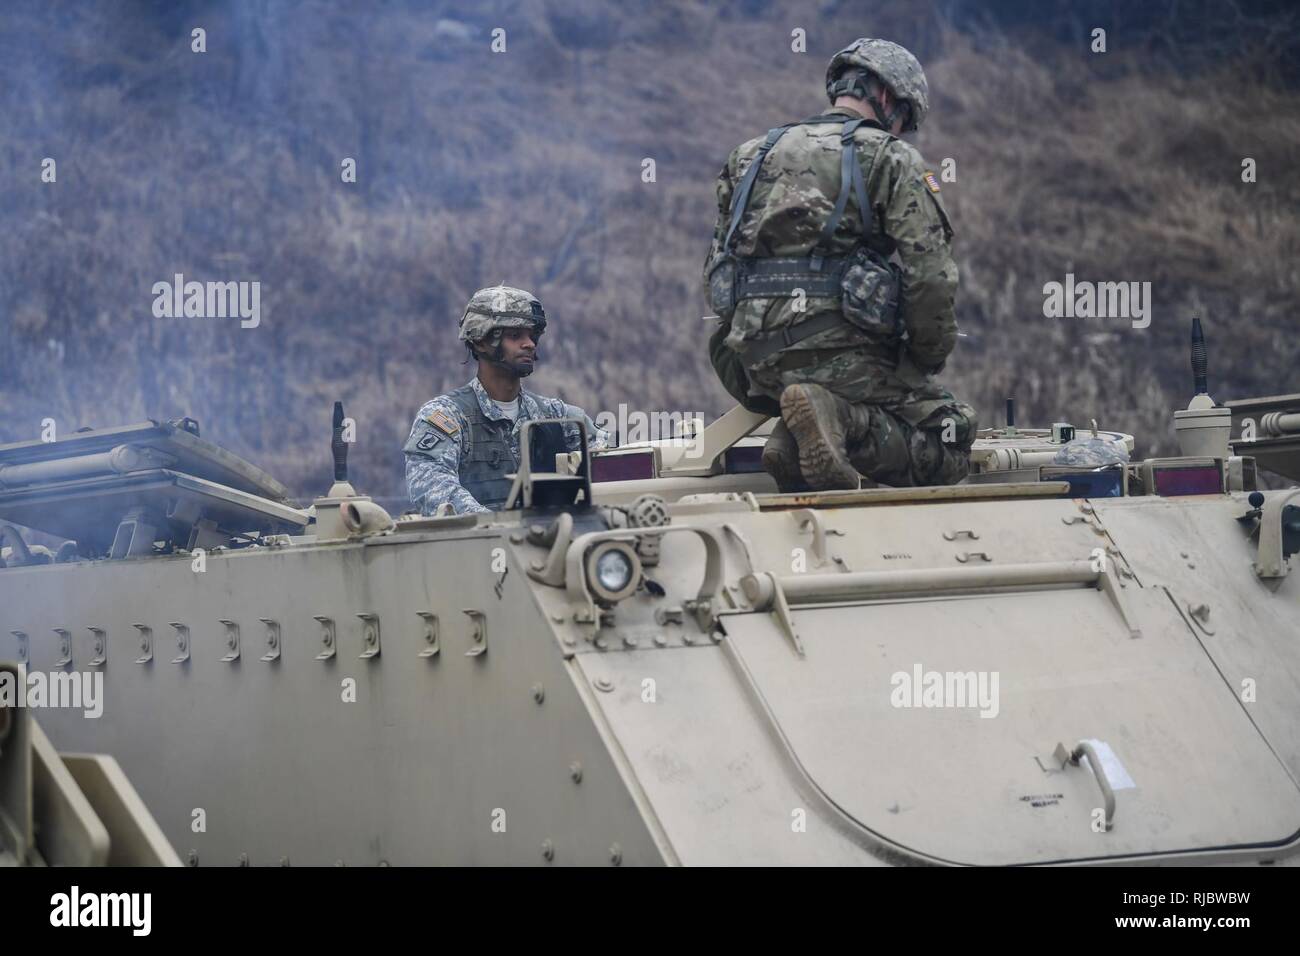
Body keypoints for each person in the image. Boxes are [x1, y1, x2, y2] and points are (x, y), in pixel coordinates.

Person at [703, 37, 977, 492]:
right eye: (904, 119)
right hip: (841, 356)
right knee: (950, 438)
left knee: (813, 388)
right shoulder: (889, 157)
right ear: (888, 98)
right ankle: (840, 419)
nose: (900, 131)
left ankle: (794, 436)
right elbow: (930, 275)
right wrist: (925, 357)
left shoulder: (750, 155)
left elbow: (717, 269)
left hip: (752, 363)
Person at [404, 286, 610, 514]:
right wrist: (492, 526)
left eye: (532, 335)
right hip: (479, 545)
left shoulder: (557, 417)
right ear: (481, 341)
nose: (529, 344)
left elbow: (613, 463)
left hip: (553, 540)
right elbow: (430, 485)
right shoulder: (448, 417)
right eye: (515, 336)